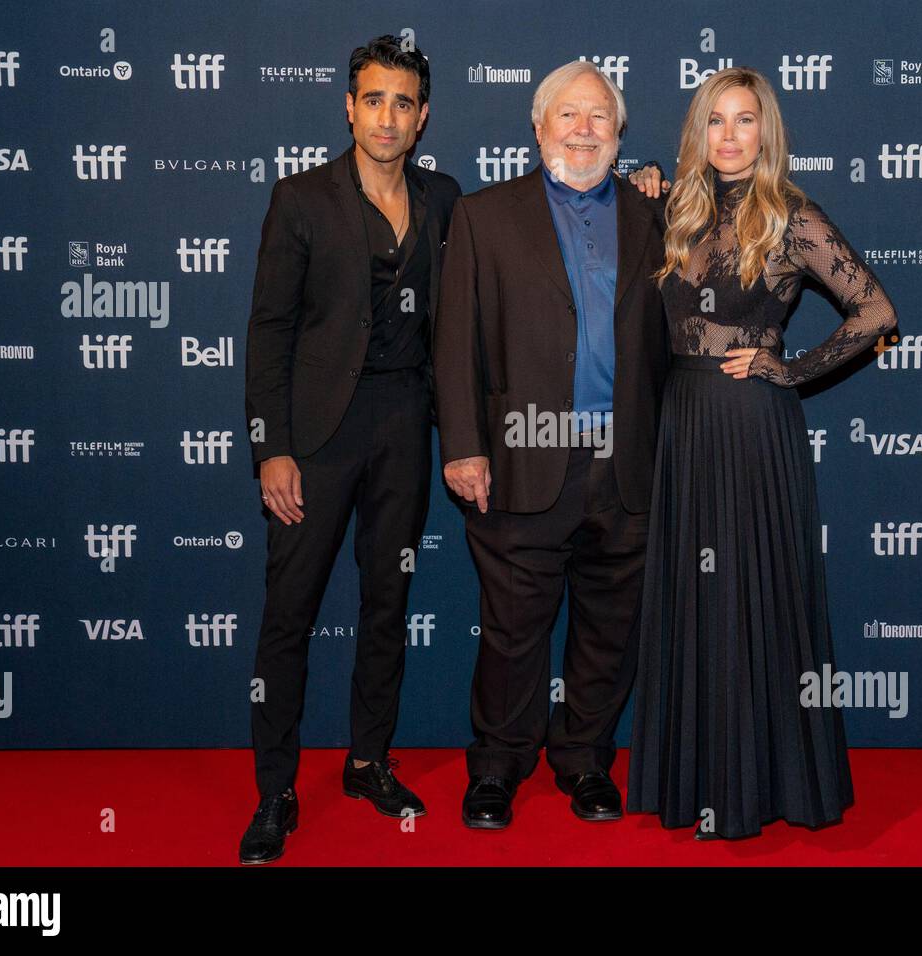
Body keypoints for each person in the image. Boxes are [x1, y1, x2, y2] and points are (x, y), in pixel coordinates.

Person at [625, 67, 897, 840]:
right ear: (699, 131)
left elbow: (876, 311)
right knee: (696, 599)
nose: (730, 135)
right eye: (716, 120)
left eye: (745, 120)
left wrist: (792, 368)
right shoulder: (674, 209)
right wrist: (641, 177)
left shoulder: (789, 215)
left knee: (750, 594)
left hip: (749, 421)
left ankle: (756, 784)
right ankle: (697, 781)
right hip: (684, 419)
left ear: (765, 132)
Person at [239, 35, 462, 864]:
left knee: (387, 603)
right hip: (317, 435)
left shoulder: (444, 198)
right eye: (373, 100)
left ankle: (368, 762)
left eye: (403, 103)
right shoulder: (301, 198)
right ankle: (275, 790)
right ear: (348, 107)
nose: (387, 117)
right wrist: (272, 447)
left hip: (405, 422)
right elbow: (268, 331)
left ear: (422, 116)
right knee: (289, 613)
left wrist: (639, 177)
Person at [433, 60, 670, 829]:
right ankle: (496, 767)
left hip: (627, 462)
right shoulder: (483, 216)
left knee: (610, 627)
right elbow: (454, 341)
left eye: (600, 117)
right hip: (522, 457)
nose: (583, 130)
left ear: (620, 134)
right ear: (538, 129)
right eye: (568, 114)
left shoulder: (656, 218)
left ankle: (586, 761)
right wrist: (462, 445)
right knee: (512, 629)